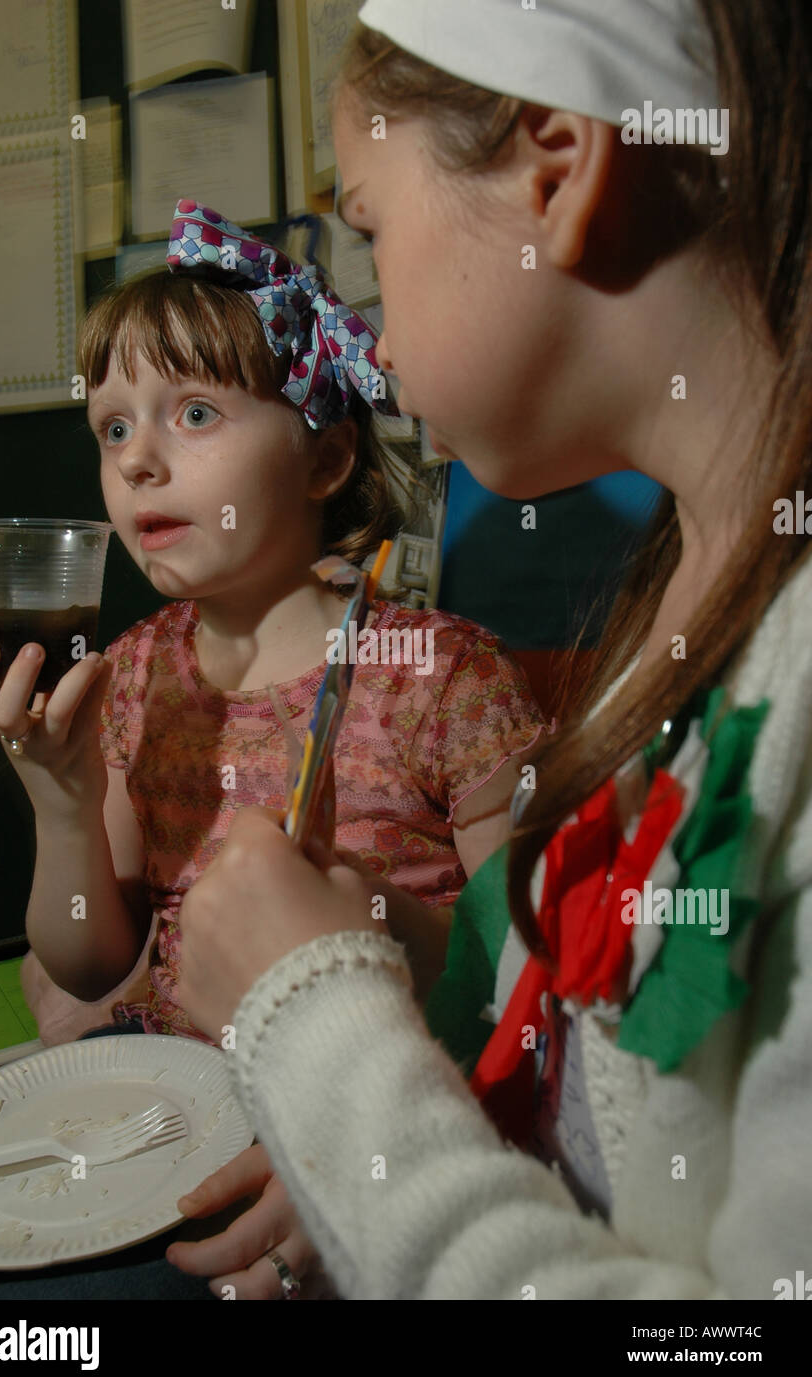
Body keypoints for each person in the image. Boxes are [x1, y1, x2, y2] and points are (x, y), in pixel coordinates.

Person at [170, 0, 812, 1300]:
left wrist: (320, 1028)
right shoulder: (686, 595)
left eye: (369, 229)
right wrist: (394, 1111)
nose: (375, 335)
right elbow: (598, 1047)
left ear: (556, 173)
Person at [0, 212, 541, 1052]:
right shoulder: (131, 676)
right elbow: (90, 968)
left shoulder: (444, 677)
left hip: (379, 1092)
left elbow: (528, 976)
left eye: (194, 414)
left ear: (327, 459)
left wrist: (370, 917)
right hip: (183, 1105)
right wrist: (64, 803)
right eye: (113, 427)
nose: (134, 461)